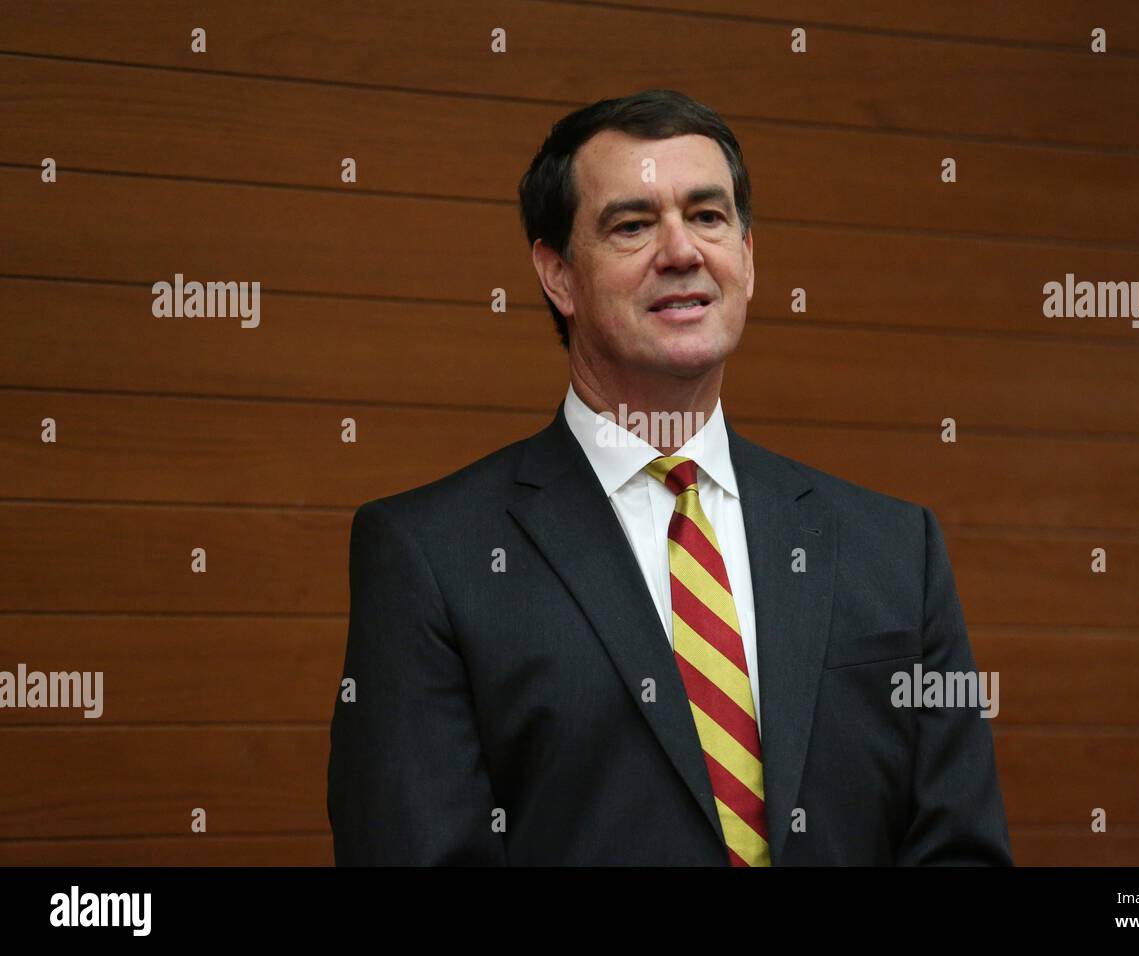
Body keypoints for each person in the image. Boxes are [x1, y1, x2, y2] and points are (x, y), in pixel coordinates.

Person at [327, 89, 1012, 866]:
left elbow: (962, 850)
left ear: (748, 260)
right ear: (557, 275)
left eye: (709, 216)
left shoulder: (895, 546)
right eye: (632, 224)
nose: (682, 251)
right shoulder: (431, 554)